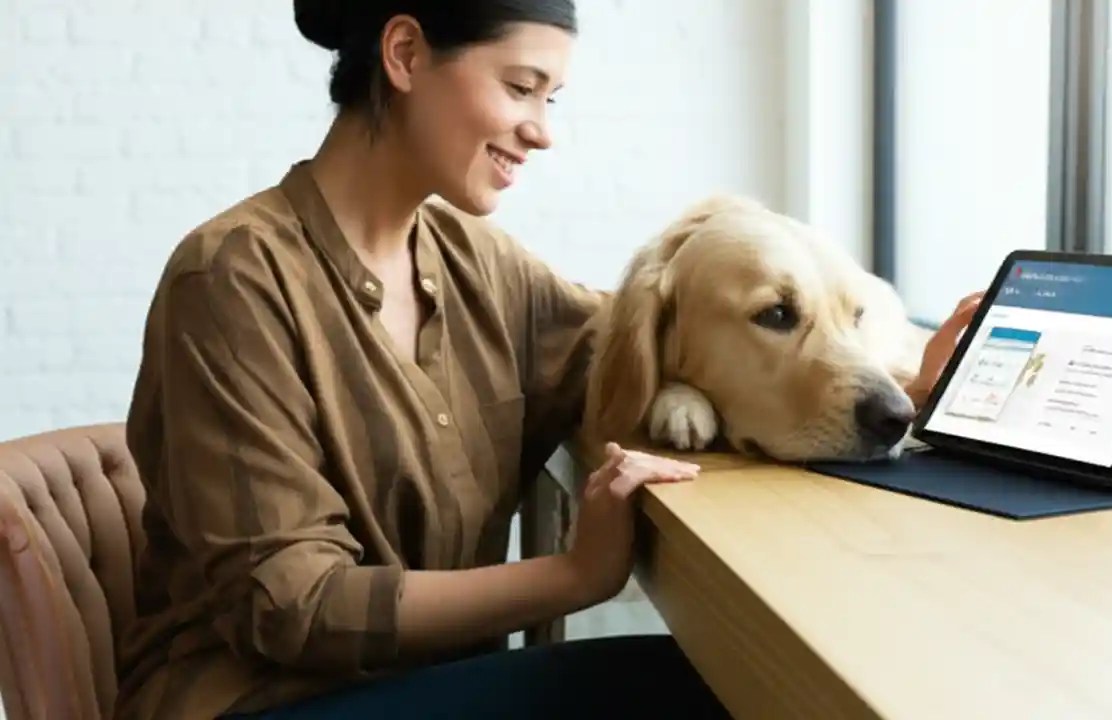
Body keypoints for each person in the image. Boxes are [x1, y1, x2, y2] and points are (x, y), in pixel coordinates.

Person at [114, 2, 979, 718]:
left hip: (427, 684)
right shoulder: (232, 277)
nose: (541, 132)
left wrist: (900, 380)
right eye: (521, 87)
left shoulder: (474, 262)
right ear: (406, 53)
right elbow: (291, 607)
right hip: (262, 702)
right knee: (708, 692)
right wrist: (571, 576)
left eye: (552, 100)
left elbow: (639, 345)